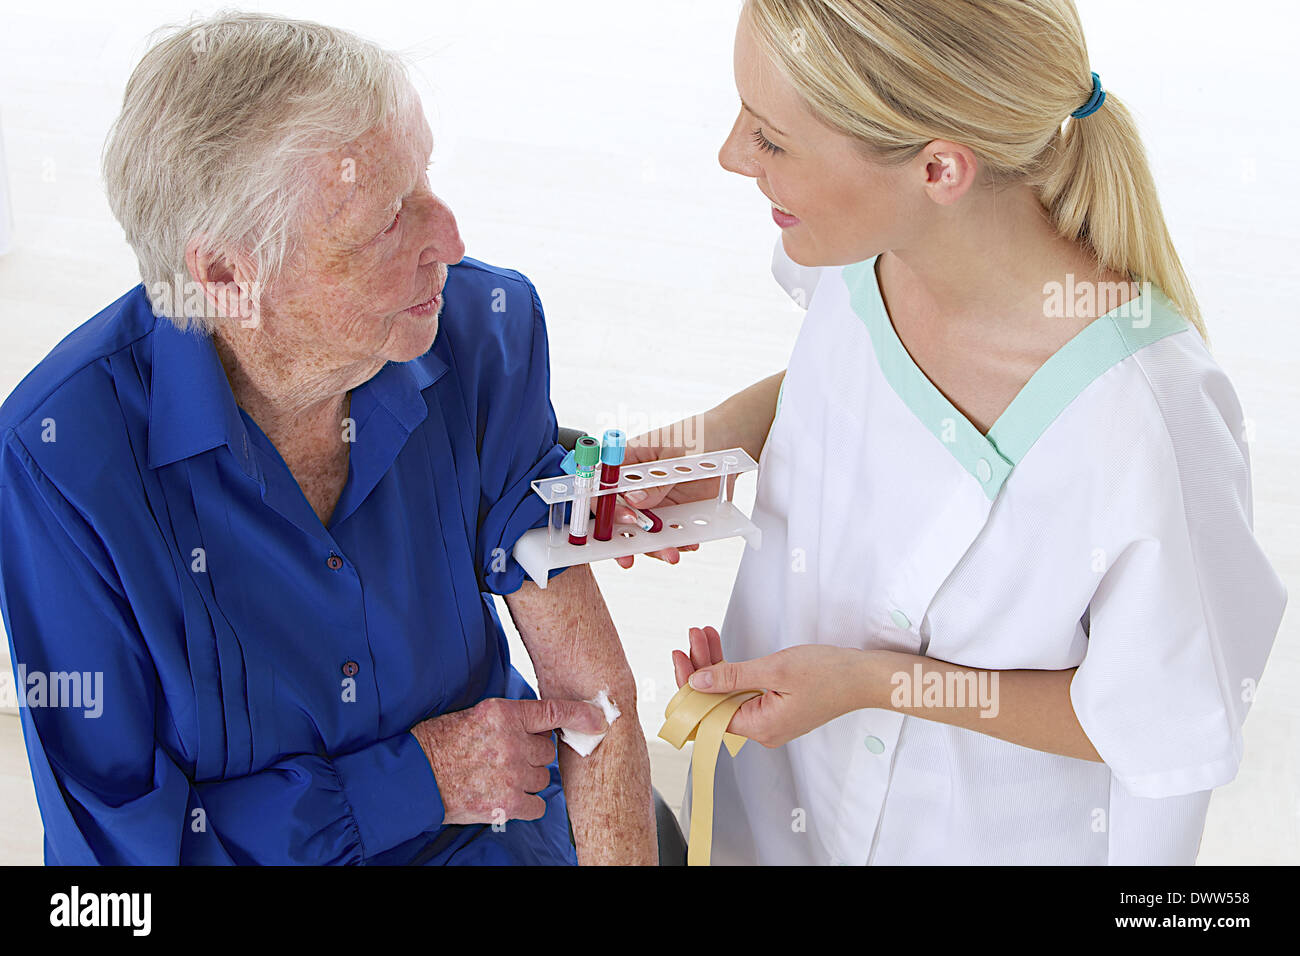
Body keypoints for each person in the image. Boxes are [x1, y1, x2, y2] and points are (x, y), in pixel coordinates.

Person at [616, 0, 1286, 864]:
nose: (731, 155)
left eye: (771, 138)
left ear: (939, 169)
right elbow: (848, 382)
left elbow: (1153, 720)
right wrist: (722, 438)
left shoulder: (1150, 421)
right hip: (779, 804)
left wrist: (872, 684)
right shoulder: (867, 243)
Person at [0, 12, 656, 865]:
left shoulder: (482, 333)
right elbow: (119, 862)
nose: (450, 242)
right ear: (231, 277)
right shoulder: (60, 462)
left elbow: (594, 700)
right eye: (388, 222)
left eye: (425, 180)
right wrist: (414, 780)